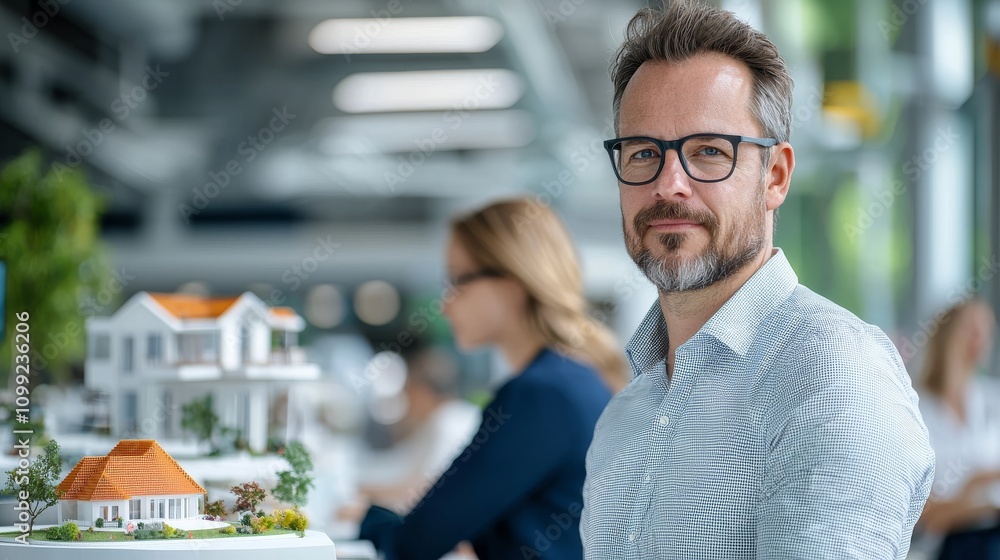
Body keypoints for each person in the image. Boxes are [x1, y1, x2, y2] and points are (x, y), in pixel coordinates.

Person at [581, 2, 935, 558]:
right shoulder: (622, 418)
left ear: (775, 176)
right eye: (644, 152)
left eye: (708, 152)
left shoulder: (829, 370)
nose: (669, 183)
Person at [359, 198, 627, 560]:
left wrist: (366, 516)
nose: (445, 303)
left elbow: (416, 542)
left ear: (513, 282)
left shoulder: (541, 395)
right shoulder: (574, 380)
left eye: (458, 280)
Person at [914, 299, 1000, 559]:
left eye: (987, 329)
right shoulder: (917, 407)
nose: (981, 338)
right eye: (970, 328)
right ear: (946, 336)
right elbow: (926, 514)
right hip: (946, 543)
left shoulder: (991, 399)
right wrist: (976, 486)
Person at [355, 347, 482, 514]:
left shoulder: (449, 422)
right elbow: (401, 466)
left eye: (407, 392)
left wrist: (363, 498)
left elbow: (421, 489)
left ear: (421, 392)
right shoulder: (441, 419)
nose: (405, 401)